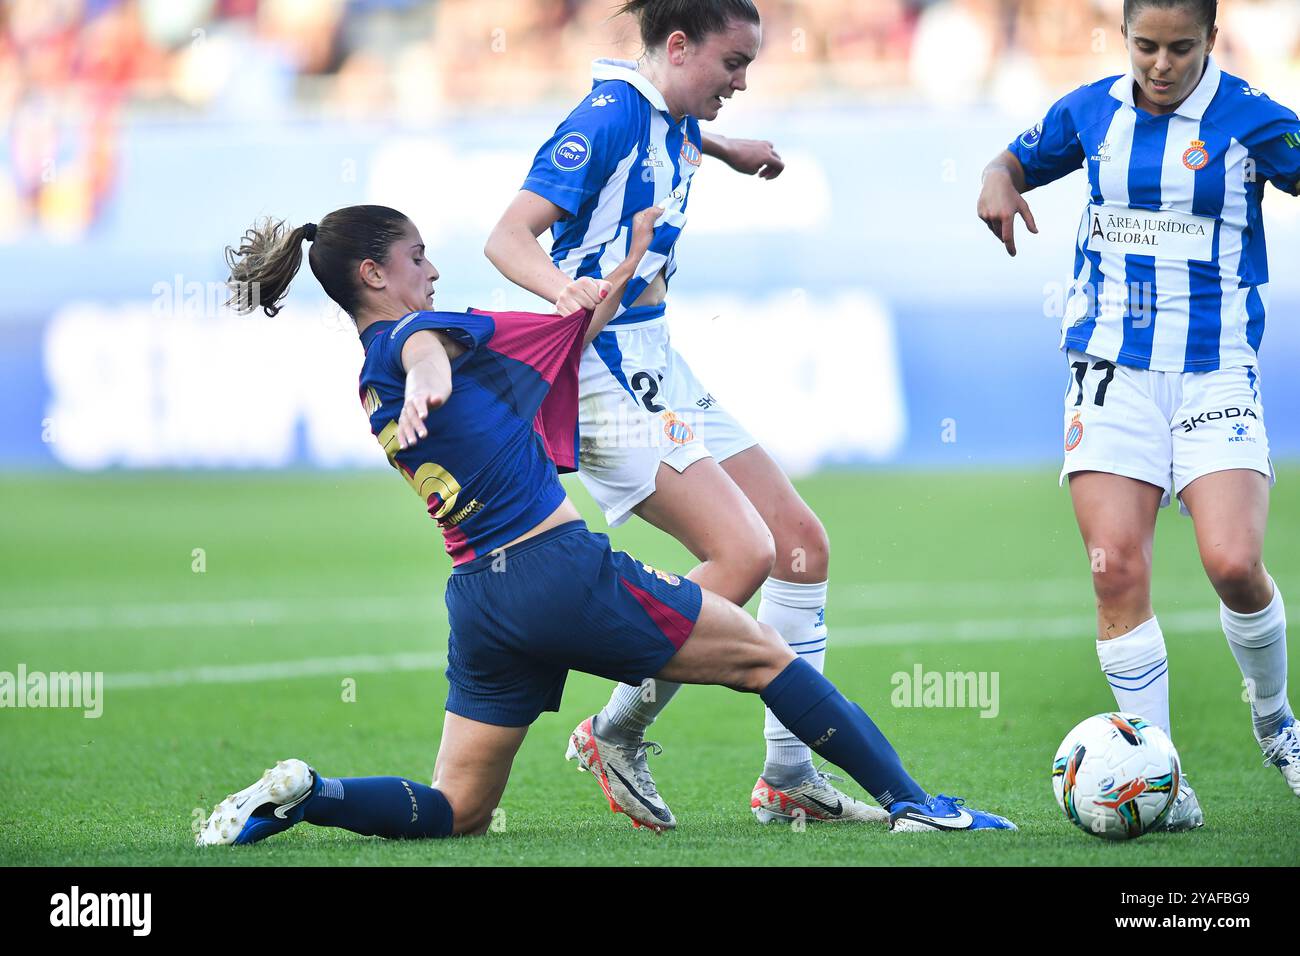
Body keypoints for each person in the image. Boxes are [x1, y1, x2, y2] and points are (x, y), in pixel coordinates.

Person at [196, 202, 1015, 846]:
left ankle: (312, 794)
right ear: (373, 273)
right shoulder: (414, 344)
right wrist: (427, 376)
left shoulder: (366, 384)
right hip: (558, 573)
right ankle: (916, 807)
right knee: (765, 654)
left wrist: (623, 265)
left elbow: (560, 336)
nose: (433, 269)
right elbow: (426, 351)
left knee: (459, 808)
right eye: (417, 258)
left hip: (481, 602)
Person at [484, 0, 866, 831]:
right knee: (742, 554)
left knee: (799, 548)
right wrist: (564, 289)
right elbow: (507, 237)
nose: (742, 81)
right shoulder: (608, 114)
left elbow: (673, 138)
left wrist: (728, 147)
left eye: (750, 67)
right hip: (599, 372)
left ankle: (788, 778)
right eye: (733, 64)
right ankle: (616, 732)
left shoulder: (671, 114)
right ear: (680, 45)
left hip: (659, 359)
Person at [976, 0, 1300, 826]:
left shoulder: (1255, 121)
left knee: (1232, 562)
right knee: (1115, 569)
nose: (1160, 64)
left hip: (1214, 370)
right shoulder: (1091, 112)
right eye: (1145, 46)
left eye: (1179, 48)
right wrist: (996, 184)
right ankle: (1162, 776)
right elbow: (1011, 161)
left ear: (1210, 41)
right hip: (1110, 368)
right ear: (1124, 38)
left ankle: (1276, 724)